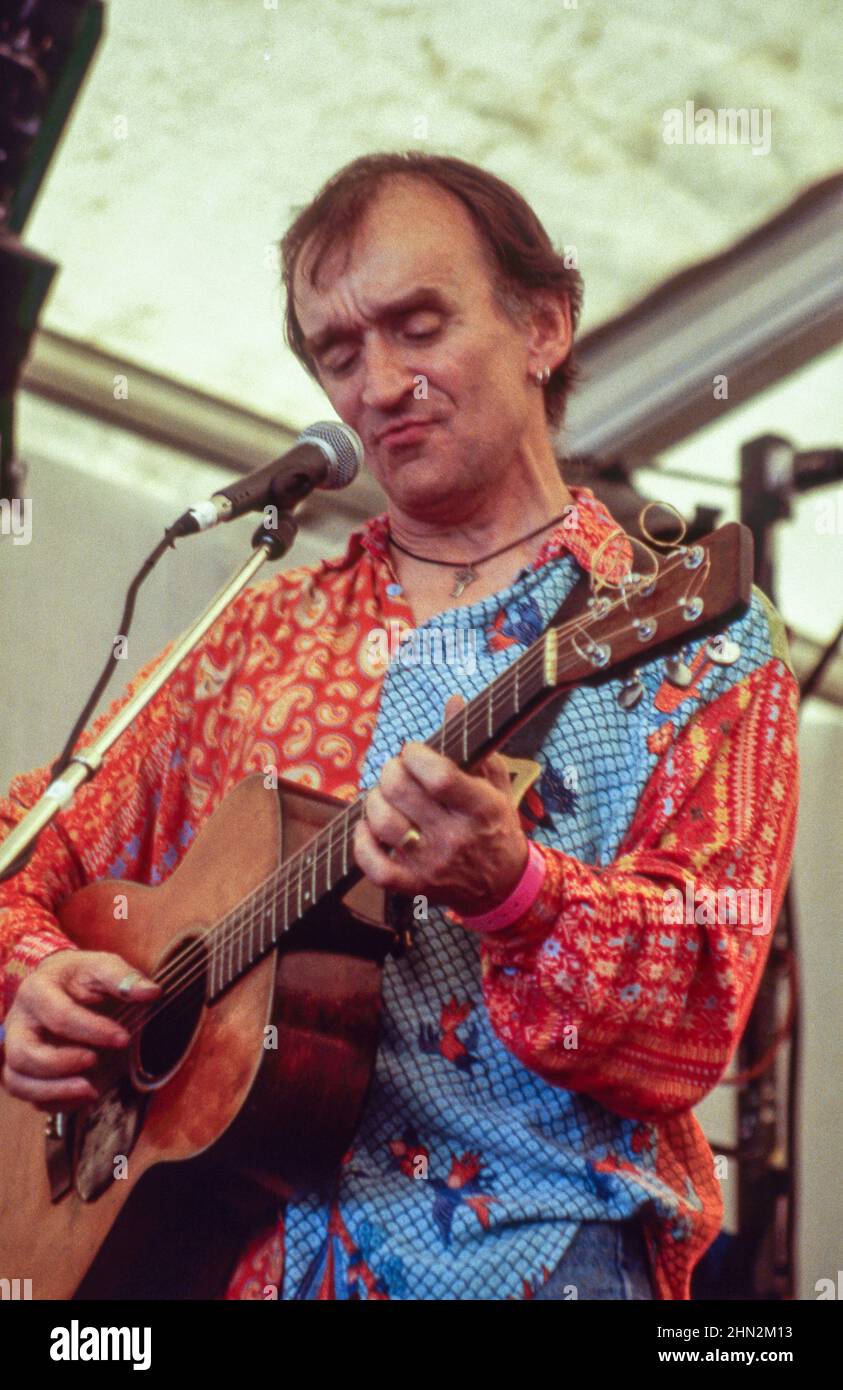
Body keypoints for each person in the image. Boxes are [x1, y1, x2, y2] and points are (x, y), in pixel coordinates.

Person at [0, 152, 799, 1301]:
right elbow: (21, 853)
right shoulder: (254, 636)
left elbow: (696, 1014)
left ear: (545, 325)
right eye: (338, 352)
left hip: (534, 1259)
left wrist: (517, 890)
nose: (378, 383)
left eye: (418, 326)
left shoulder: (699, 641)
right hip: (241, 1267)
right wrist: (38, 975)